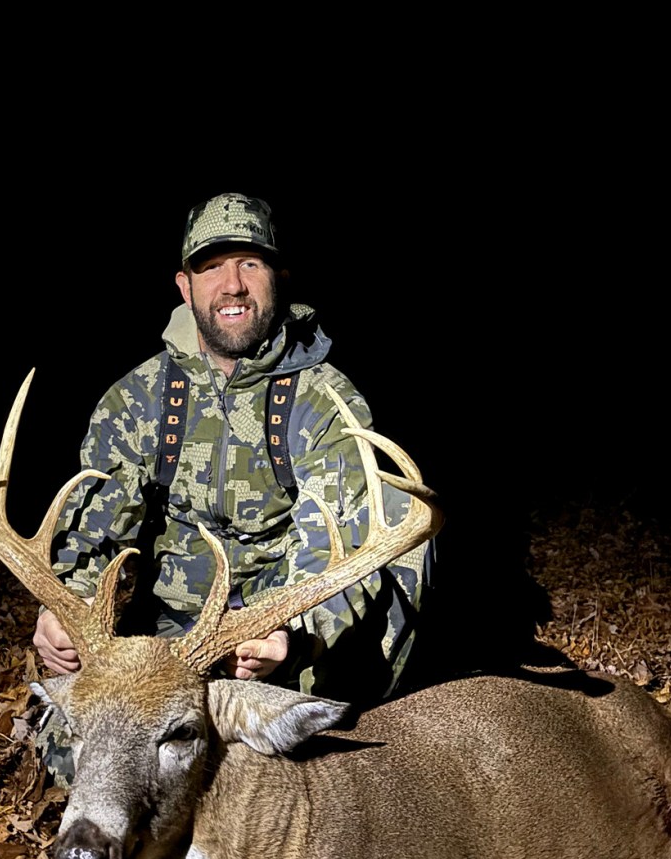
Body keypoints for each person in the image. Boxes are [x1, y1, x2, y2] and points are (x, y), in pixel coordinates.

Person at [33, 193, 433, 705]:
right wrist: (63, 613)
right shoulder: (136, 398)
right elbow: (91, 534)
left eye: (250, 263)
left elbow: (335, 541)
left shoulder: (325, 398)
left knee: (402, 518)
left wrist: (289, 634)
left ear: (279, 278)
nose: (233, 285)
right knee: (79, 756)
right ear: (185, 285)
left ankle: (360, 712)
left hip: (276, 634)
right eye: (211, 266)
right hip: (170, 634)